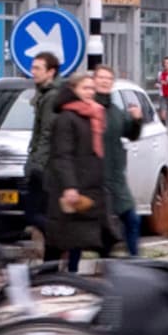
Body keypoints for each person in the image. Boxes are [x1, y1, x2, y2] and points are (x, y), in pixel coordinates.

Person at [45, 73, 114, 272]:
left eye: (92, 89)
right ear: (73, 91)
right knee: (62, 239)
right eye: (85, 88)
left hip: (91, 186)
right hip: (72, 187)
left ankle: (75, 274)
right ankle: (48, 278)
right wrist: (69, 186)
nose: (90, 93)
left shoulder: (95, 114)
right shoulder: (66, 118)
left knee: (89, 236)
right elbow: (62, 155)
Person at [93, 64, 144, 255]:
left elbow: (131, 134)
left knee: (132, 219)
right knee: (94, 228)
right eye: (101, 78)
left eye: (109, 78)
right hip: (94, 179)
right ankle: (74, 269)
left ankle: (135, 262)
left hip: (116, 179)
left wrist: (136, 120)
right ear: (94, 80)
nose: (105, 81)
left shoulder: (115, 111)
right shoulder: (89, 109)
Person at [24, 51, 61, 238]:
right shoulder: (43, 94)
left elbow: (46, 133)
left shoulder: (51, 97)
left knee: (33, 214)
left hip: (45, 168)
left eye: (38, 68)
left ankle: (63, 238)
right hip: (43, 165)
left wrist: (36, 165)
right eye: (33, 67)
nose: (33, 72)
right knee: (38, 214)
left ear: (50, 72)